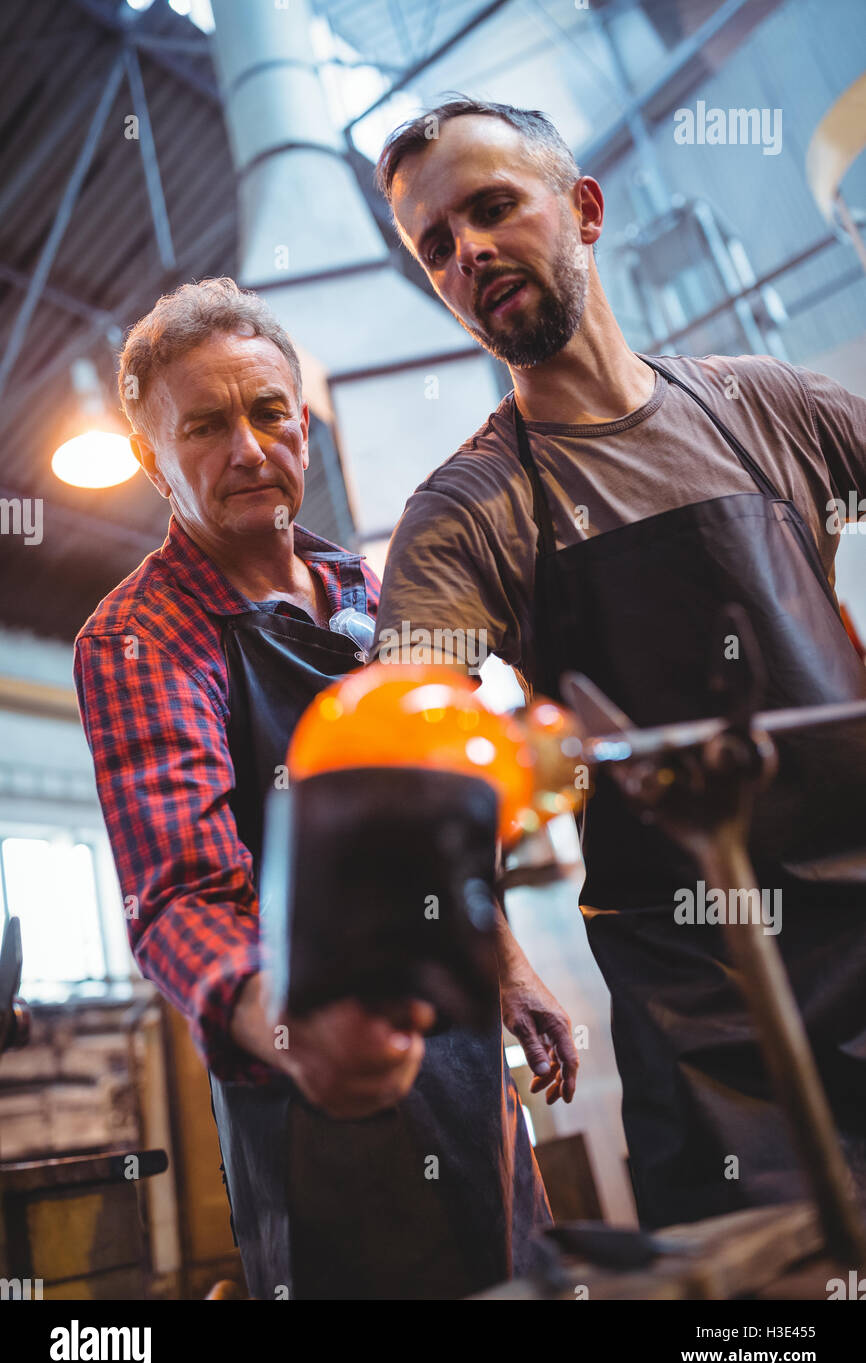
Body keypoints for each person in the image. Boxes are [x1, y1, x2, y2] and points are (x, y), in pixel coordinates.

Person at [371, 97, 866, 1229]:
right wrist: (496, 954)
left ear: (583, 209)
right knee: (763, 1318)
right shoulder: (465, 512)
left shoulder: (767, 406)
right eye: (436, 246)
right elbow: (410, 760)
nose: (468, 253)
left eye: (491, 209)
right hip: (704, 1001)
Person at [73, 277, 576, 1300]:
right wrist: (291, 1022)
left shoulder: (360, 587)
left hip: (458, 1039)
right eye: (205, 426)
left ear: (301, 425)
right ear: (149, 458)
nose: (249, 449)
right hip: (306, 1078)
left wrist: (503, 963)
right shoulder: (139, 637)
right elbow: (179, 899)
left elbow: (426, 812)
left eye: (267, 413)